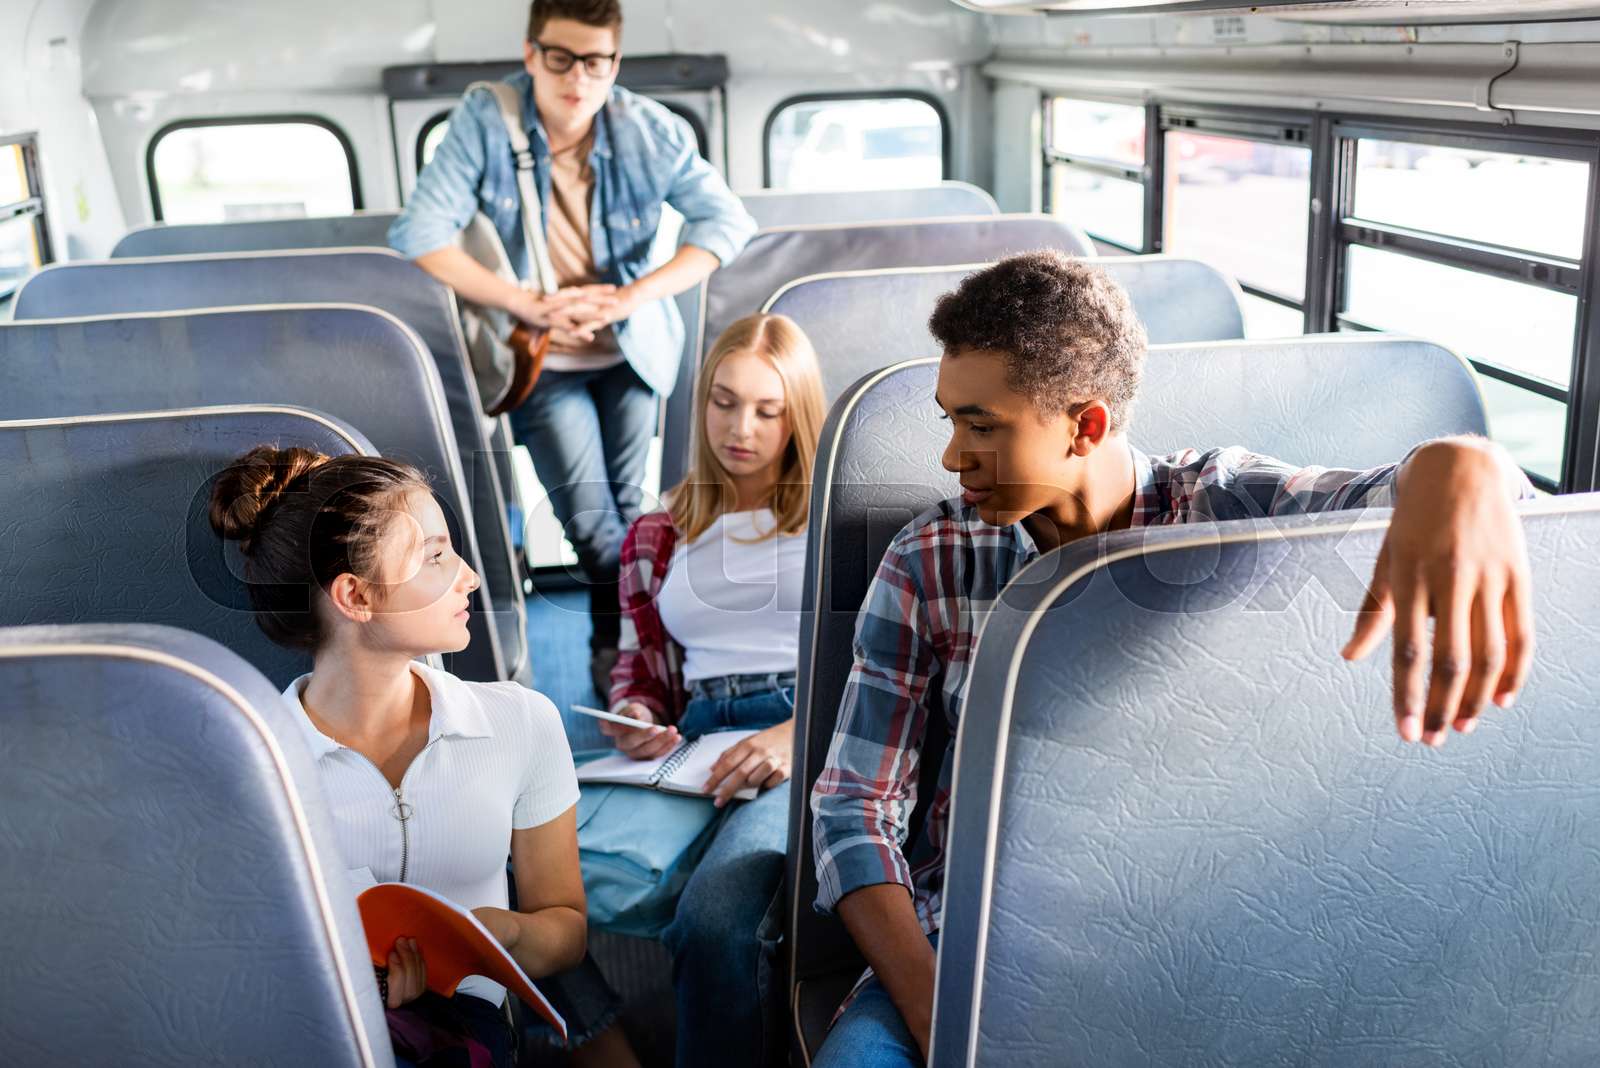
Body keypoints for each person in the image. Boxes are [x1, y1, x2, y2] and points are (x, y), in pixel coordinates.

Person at [809, 251, 1539, 1067]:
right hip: (970, 945)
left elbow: (1397, 495)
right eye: (951, 420)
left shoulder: (1220, 508)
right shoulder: (930, 556)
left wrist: (1466, 465)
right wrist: (932, 1009)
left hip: (1202, 936)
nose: (951, 456)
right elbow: (853, 810)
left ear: (1085, 425)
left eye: (982, 426)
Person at [388, 0, 758, 697]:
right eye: (559, 58)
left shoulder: (649, 129)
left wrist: (631, 296)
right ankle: (640, 644)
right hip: (539, 358)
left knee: (622, 508)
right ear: (531, 54)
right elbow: (420, 235)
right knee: (594, 527)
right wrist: (527, 303)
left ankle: (620, 650)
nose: (577, 78)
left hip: (633, 350)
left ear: (614, 64)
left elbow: (727, 223)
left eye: (596, 62)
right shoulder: (485, 120)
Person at [208, 447, 588, 1068]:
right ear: (355, 596)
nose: (468, 576)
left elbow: (567, 928)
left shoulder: (522, 722)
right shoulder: (253, 767)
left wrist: (501, 934)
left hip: (473, 1035)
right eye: (436, 557)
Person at [598, 313, 827, 1068]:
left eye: (768, 410)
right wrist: (635, 714)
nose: (741, 428)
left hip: (806, 729)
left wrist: (803, 734)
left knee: (717, 920)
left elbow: (882, 665)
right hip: (699, 736)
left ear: (798, 415)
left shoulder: (836, 516)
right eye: (723, 401)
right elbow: (643, 667)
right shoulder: (660, 528)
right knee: (525, 874)